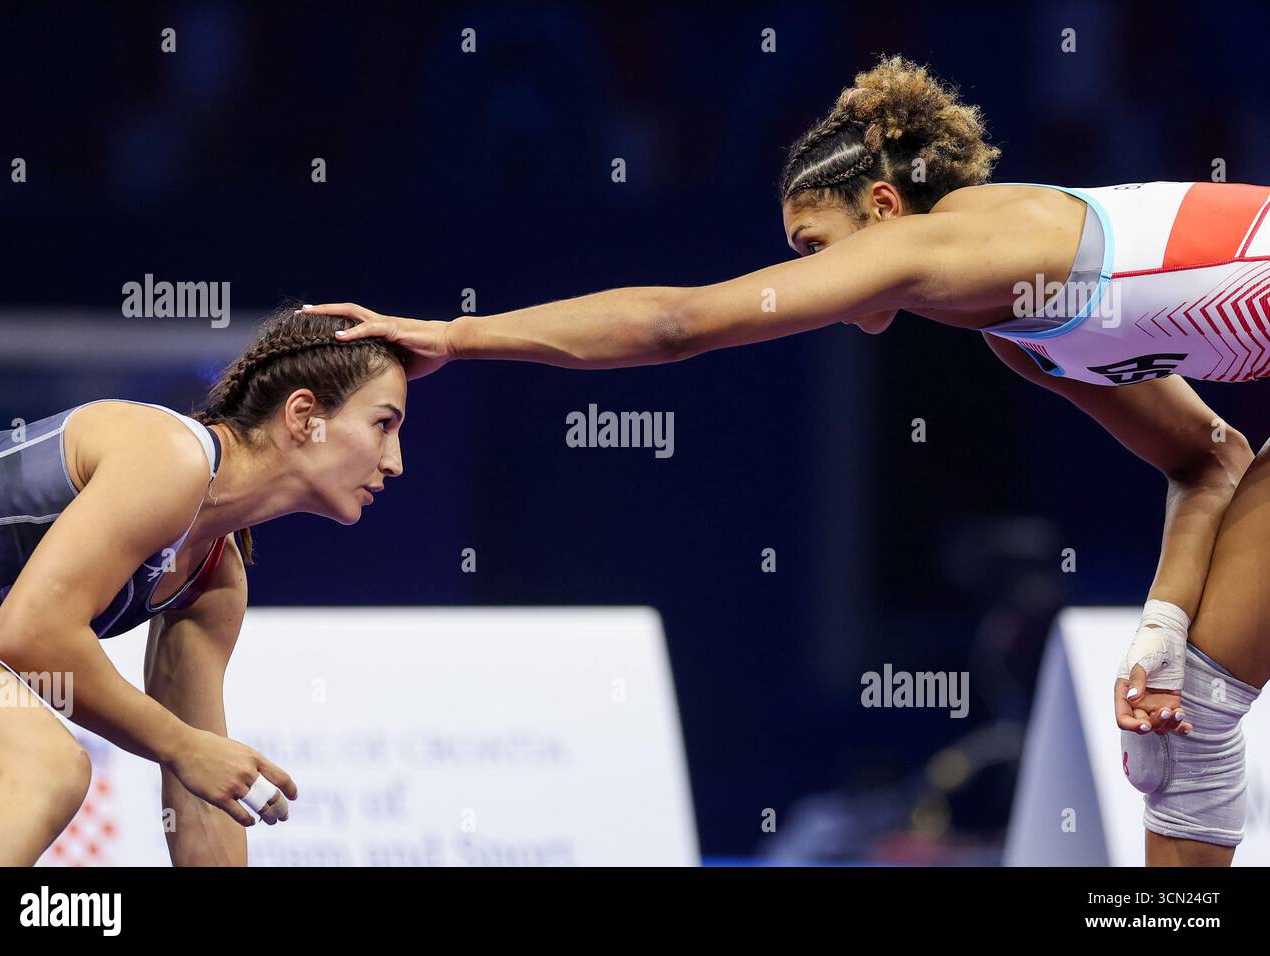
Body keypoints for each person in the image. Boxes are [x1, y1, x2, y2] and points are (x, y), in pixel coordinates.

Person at [303, 53, 1270, 864]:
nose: (811, 278)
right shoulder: (1017, 330)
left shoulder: (950, 246)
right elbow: (1209, 456)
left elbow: (677, 323)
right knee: (1188, 726)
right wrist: (1164, 624)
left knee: (1202, 716)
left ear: (885, 207)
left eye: (814, 247)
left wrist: (458, 337)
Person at [0, 307, 406, 865]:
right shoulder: (171, 455)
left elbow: (204, 791)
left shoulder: (214, 582)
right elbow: (31, 634)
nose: (395, 462)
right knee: (42, 767)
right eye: (383, 424)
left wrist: (192, 753)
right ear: (303, 416)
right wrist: (185, 746)